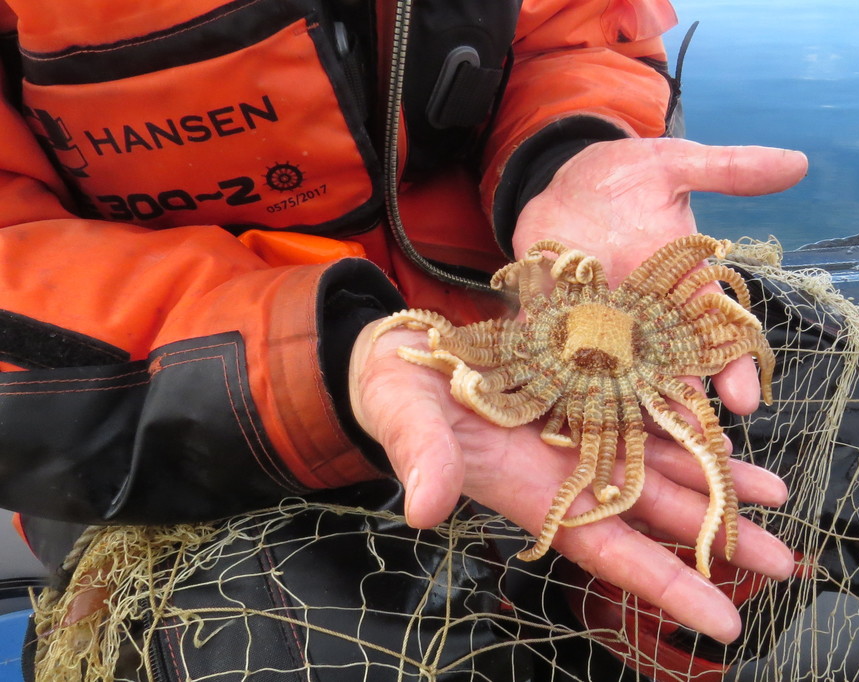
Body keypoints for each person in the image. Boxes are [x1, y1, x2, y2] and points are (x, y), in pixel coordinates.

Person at [0, 0, 807, 668]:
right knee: (295, 641)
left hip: (507, 314)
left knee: (798, 465)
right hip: (173, 407)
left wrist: (570, 149)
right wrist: (330, 357)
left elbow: (574, 25)